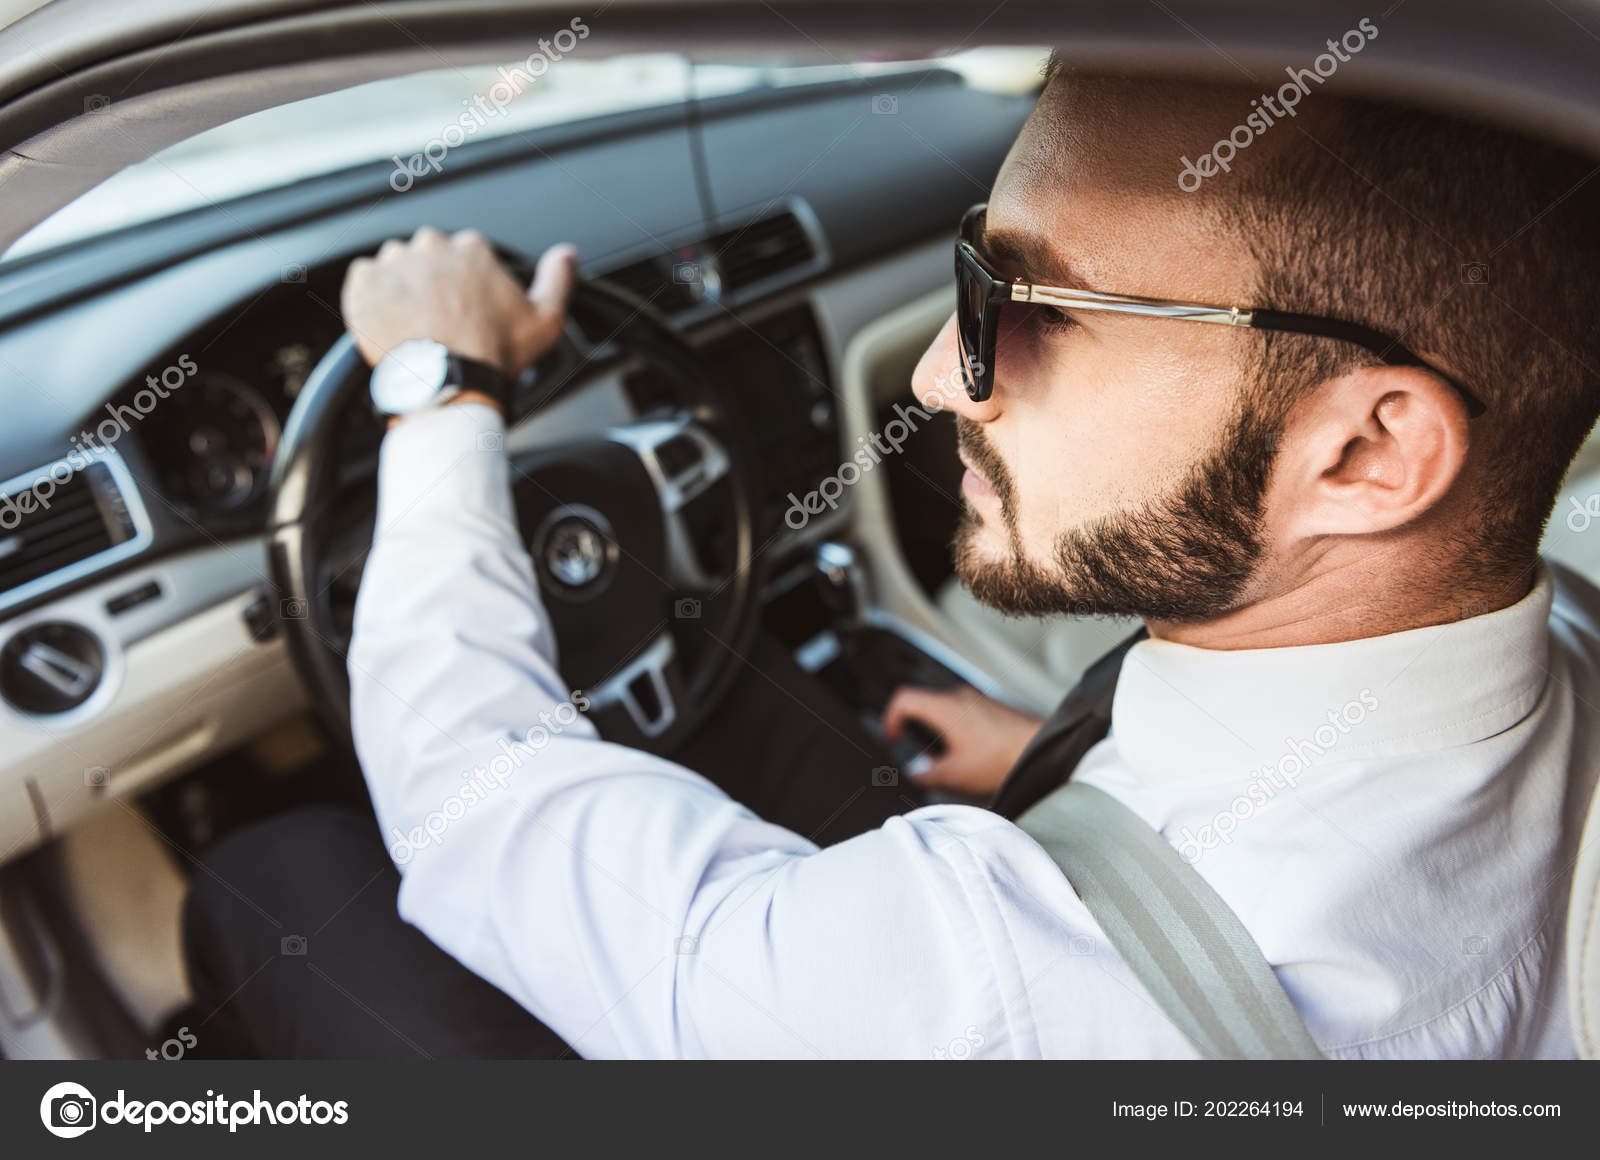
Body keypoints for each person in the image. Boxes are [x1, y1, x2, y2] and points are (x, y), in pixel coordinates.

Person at [185, 63, 1600, 1058]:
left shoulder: (980, 993)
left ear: (1368, 455)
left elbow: (472, 808)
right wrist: (1047, 762)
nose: (938, 377)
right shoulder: (1566, 640)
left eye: (1035, 310)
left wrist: (439, 393)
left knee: (277, 875)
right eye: (972, 272)